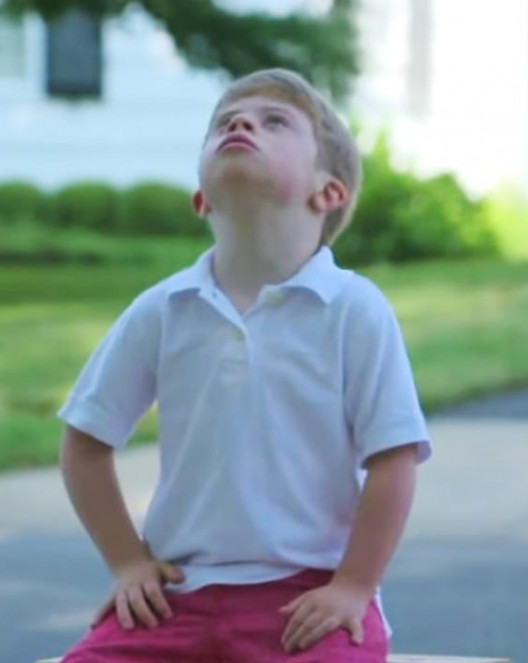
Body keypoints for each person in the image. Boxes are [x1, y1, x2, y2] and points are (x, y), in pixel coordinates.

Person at [56, 68, 432, 662]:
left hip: (308, 599)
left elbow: (393, 460)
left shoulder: (354, 309)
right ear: (201, 199)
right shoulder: (162, 309)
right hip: (176, 597)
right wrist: (128, 563)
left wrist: (353, 589)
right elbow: (84, 441)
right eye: (225, 124)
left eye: (273, 121)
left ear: (327, 192)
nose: (240, 124)